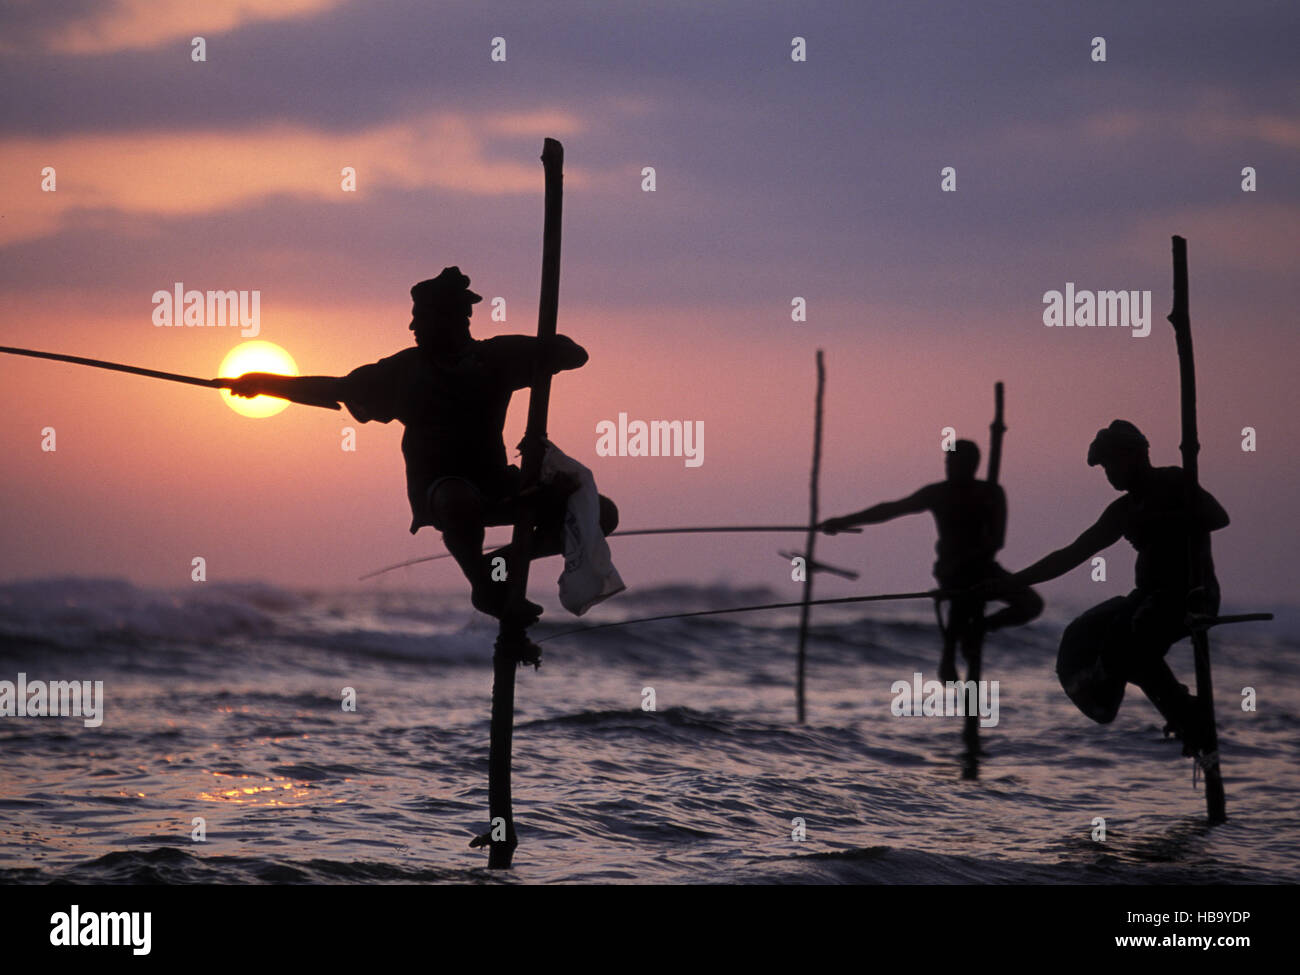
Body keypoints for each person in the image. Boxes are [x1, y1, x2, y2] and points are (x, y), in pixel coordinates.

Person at [228, 266, 618, 624]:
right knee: (458, 499)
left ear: (454, 320)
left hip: (498, 484)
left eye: (423, 316)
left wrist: (542, 349)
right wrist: (263, 382)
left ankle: (494, 569)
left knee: (601, 513)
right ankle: (484, 585)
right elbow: (334, 387)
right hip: (440, 491)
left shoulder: (496, 358)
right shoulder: (403, 371)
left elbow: (575, 355)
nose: (413, 324)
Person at [977, 420, 1229, 755]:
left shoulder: (1174, 481)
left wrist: (1162, 520)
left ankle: (1186, 715)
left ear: (1135, 456)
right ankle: (1175, 709)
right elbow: (1071, 555)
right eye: (1104, 467)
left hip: (1189, 596)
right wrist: (1009, 583)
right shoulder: (1122, 510)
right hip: (1146, 597)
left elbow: (1217, 517)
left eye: (1111, 463)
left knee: (1131, 643)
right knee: (1085, 632)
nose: (1108, 473)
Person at [821, 440, 1043, 681]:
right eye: (949, 462)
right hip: (951, 570)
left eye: (958, 462)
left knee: (1031, 604)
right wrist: (844, 521)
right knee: (962, 592)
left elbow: (997, 541)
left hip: (984, 567)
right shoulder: (938, 493)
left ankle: (976, 631)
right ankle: (949, 656)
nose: (951, 467)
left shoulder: (990, 492)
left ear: (973, 465)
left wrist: (976, 559)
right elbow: (890, 510)